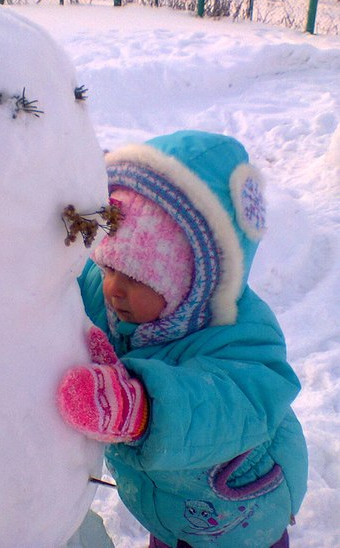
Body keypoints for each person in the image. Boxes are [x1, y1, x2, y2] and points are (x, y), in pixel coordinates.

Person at [57, 130, 308, 548]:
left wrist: (141, 409)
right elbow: (57, 280)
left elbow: (234, 404)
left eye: (136, 277)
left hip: (241, 515)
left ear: (192, 282)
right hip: (169, 509)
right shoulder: (109, 295)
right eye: (108, 266)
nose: (114, 289)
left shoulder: (239, 332)